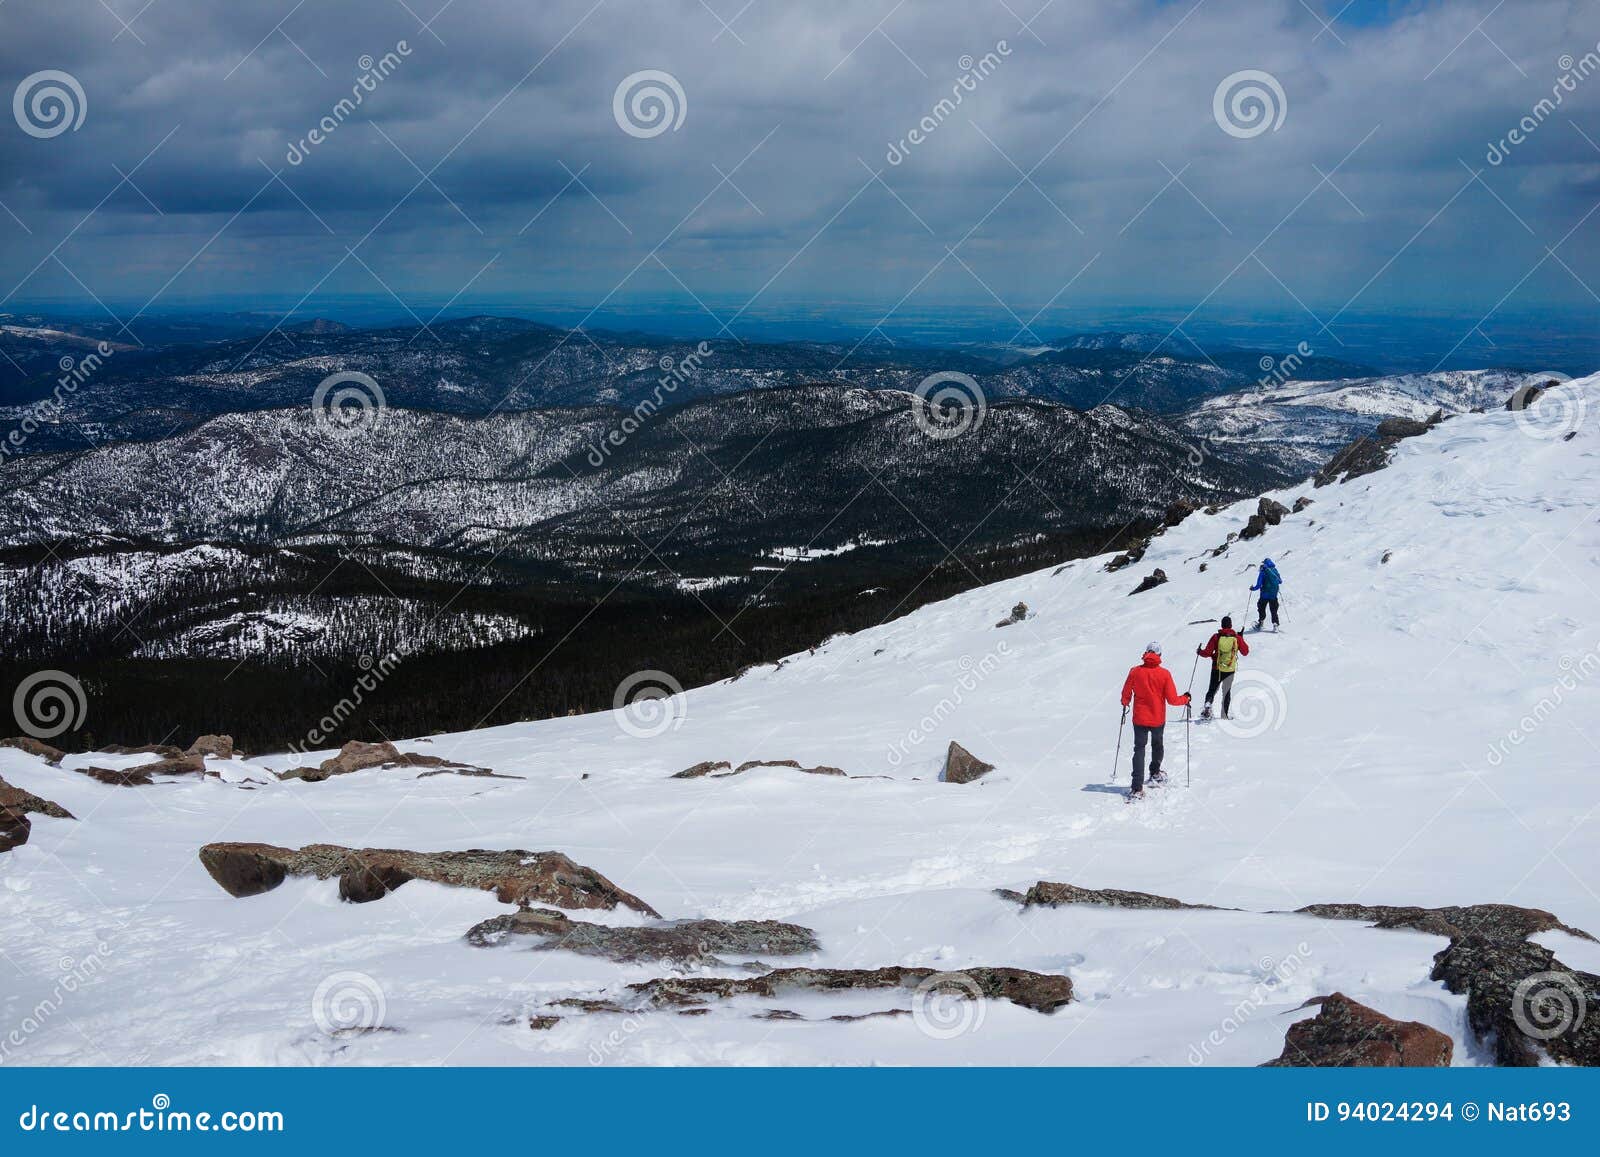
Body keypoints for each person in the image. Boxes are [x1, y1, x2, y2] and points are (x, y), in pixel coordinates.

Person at [1119, 641, 1191, 800]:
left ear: (1146, 653)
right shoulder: (1164, 674)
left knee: (1139, 749)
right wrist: (1185, 699)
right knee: (1157, 745)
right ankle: (1155, 772)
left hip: (1139, 718)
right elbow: (1172, 699)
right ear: (1159, 655)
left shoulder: (1135, 671)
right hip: (1157, 718)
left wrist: (1125, 702)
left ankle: (1137, 787)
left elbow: (1126, 692)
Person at [1196, 615, 1249, 718]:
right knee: (1226, 691)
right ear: (1231, 625)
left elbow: (1207, 652)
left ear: (1221, 625)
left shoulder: (1216, 637)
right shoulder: (1236, 638)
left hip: (1216, 668)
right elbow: (1245, 652)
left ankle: (1208, 705)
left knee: (1212, 689)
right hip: (1230, 669)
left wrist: (1199, 652)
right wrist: (1241, 638)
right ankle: (1224, 714)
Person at [1251, 558, 1283, 631]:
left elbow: (1259, 585)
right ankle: (1275, 625)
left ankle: (1261, 623)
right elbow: (1280, 581)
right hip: (1273, 595)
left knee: (1261, 608)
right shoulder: (1275, 570)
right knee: (1274, 610)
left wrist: (1252, 588)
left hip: (1264, 595)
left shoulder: (1263, 572)